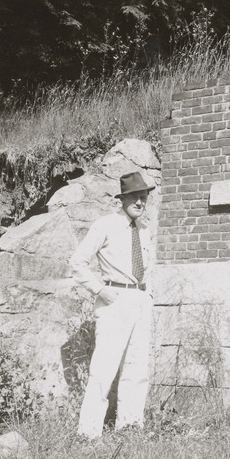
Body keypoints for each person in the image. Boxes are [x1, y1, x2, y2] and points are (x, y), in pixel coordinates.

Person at [70, 171, 155, 438]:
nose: (140, 202)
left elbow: (147, 268)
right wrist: (100, 290)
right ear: (123, 199)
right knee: (104, 368)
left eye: (143, 197)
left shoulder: (145, 230)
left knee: (137, 367)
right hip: (114, 299)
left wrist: (147, 296)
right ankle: (89, 432)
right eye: (134, 197)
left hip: (139, 299)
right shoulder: (105, 225)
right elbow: (77, 262)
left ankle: (129, 427)